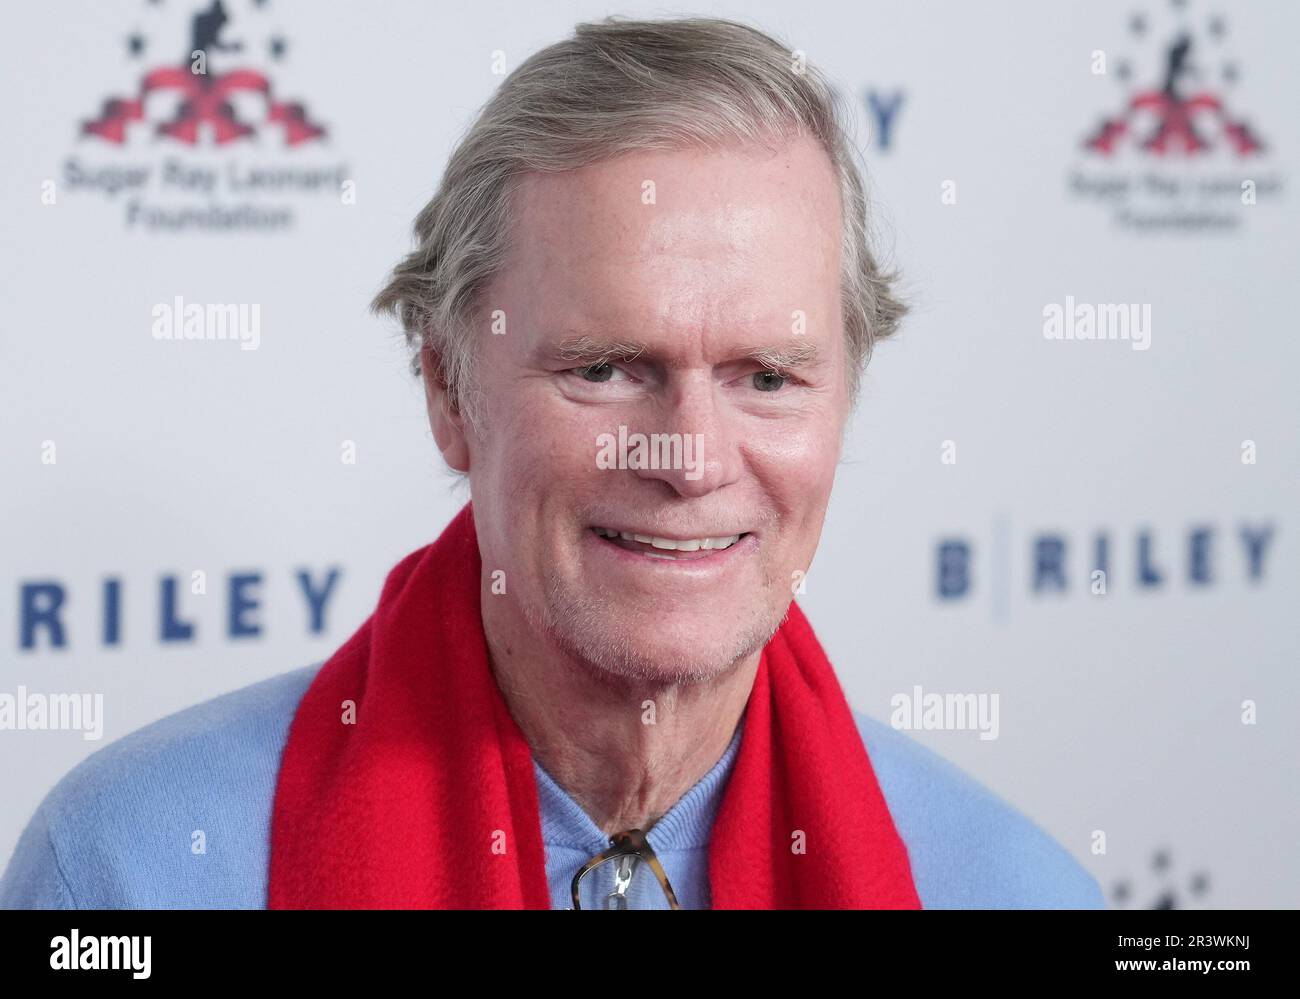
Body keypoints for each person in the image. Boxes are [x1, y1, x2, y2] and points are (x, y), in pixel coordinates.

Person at [1, 16, 1103, 910]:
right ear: (448, 394)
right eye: (608, 368)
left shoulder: (1011, 889)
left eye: (767, 376)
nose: (689, 456)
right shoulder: (129, 874)